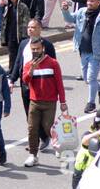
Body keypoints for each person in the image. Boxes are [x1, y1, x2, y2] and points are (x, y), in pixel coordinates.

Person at [62, 0, 100, 112]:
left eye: (92, 1)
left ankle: (91, 103)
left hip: (97, 53)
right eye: (87, 1)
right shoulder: (81, 12)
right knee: (87, 79)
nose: (89, 3)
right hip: (83, 51)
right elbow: (70, 19)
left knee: (91, 78)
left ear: (98, 2)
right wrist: (65, 10)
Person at [20, 35, 67, 167]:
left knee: (48, 127)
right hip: (34, 101)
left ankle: (58, 144)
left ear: (43, 48)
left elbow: (59, 84)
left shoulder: (53, 63)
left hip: (49, 102)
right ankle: (33, 155)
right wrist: (31, 71)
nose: (35, 51)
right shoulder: (29, 65)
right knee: (32, 128)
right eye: (33, 49)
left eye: (37, 49)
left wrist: (63, 102)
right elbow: (25, 81)